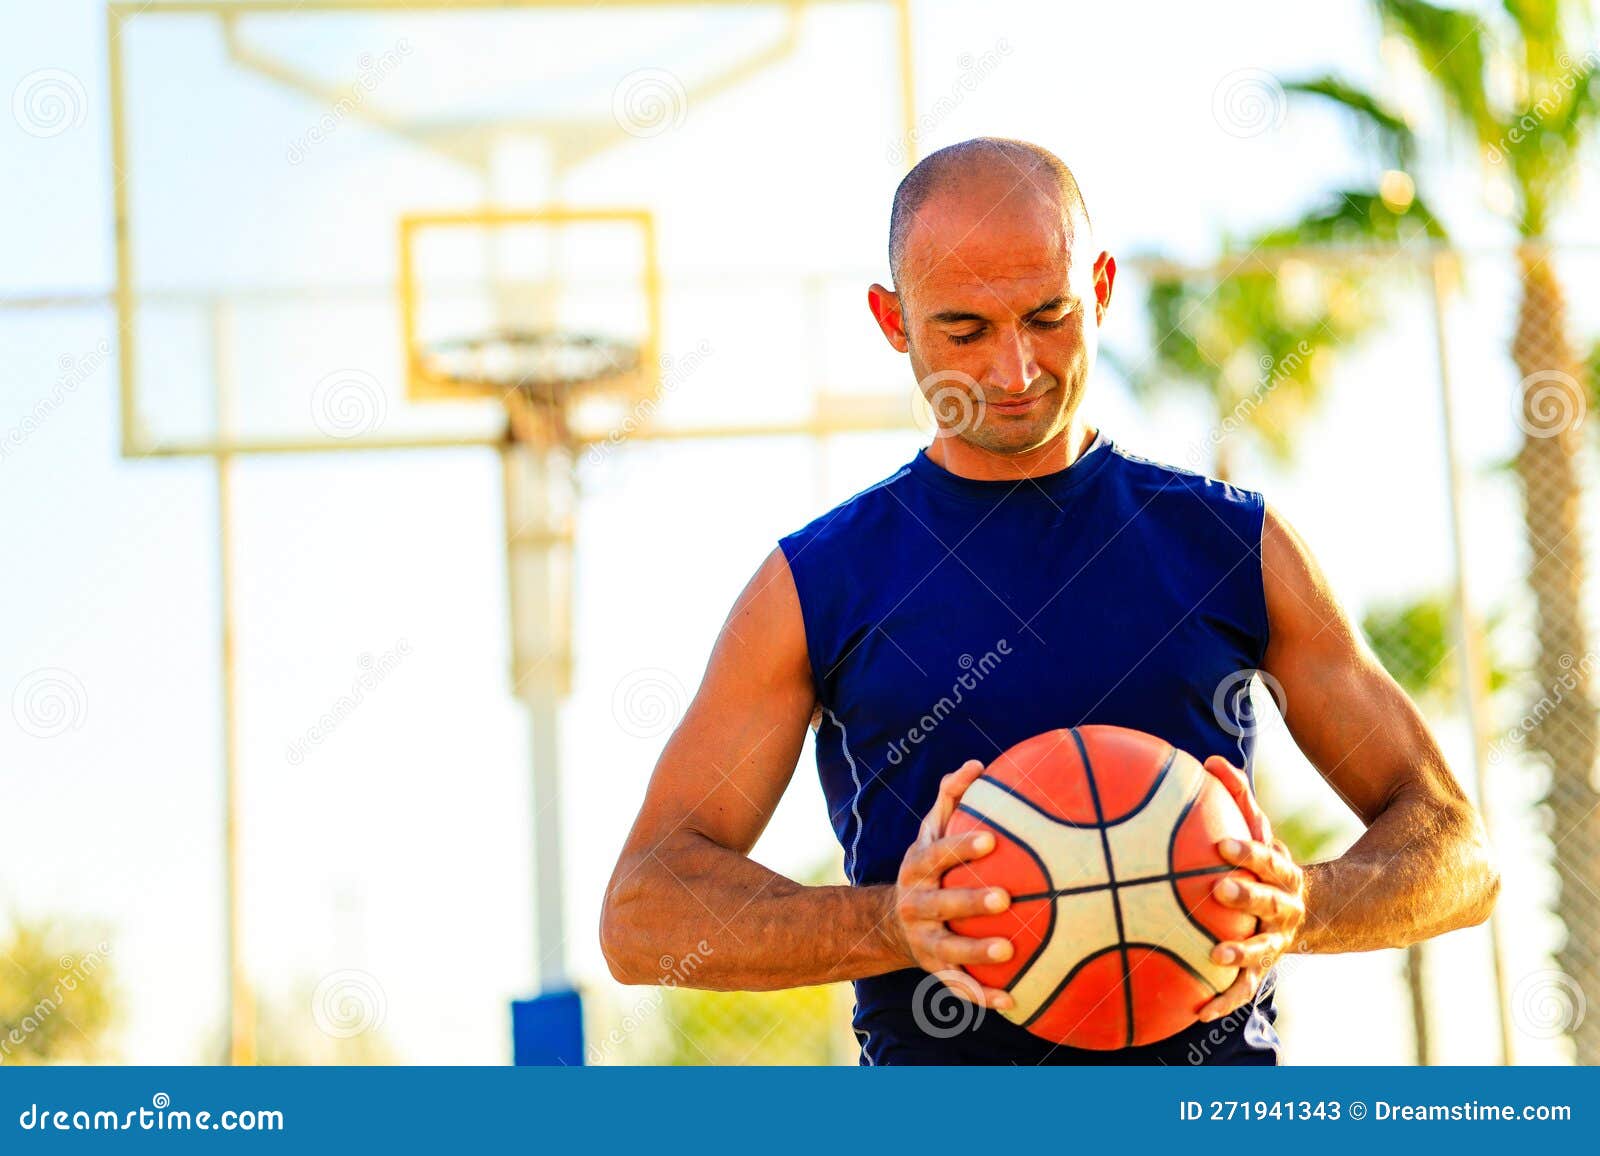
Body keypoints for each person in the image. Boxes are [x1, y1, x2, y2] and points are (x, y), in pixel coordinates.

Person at [600, 137, 1499, 1065]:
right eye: (964, 330)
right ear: (892, 320)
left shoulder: (1232, 545)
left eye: (1049, 314)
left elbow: (1459, 852)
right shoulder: (817, 582)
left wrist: (1298, 907)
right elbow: (644, 913)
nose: (1015, 369)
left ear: (1102, 286)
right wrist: (896, 923)